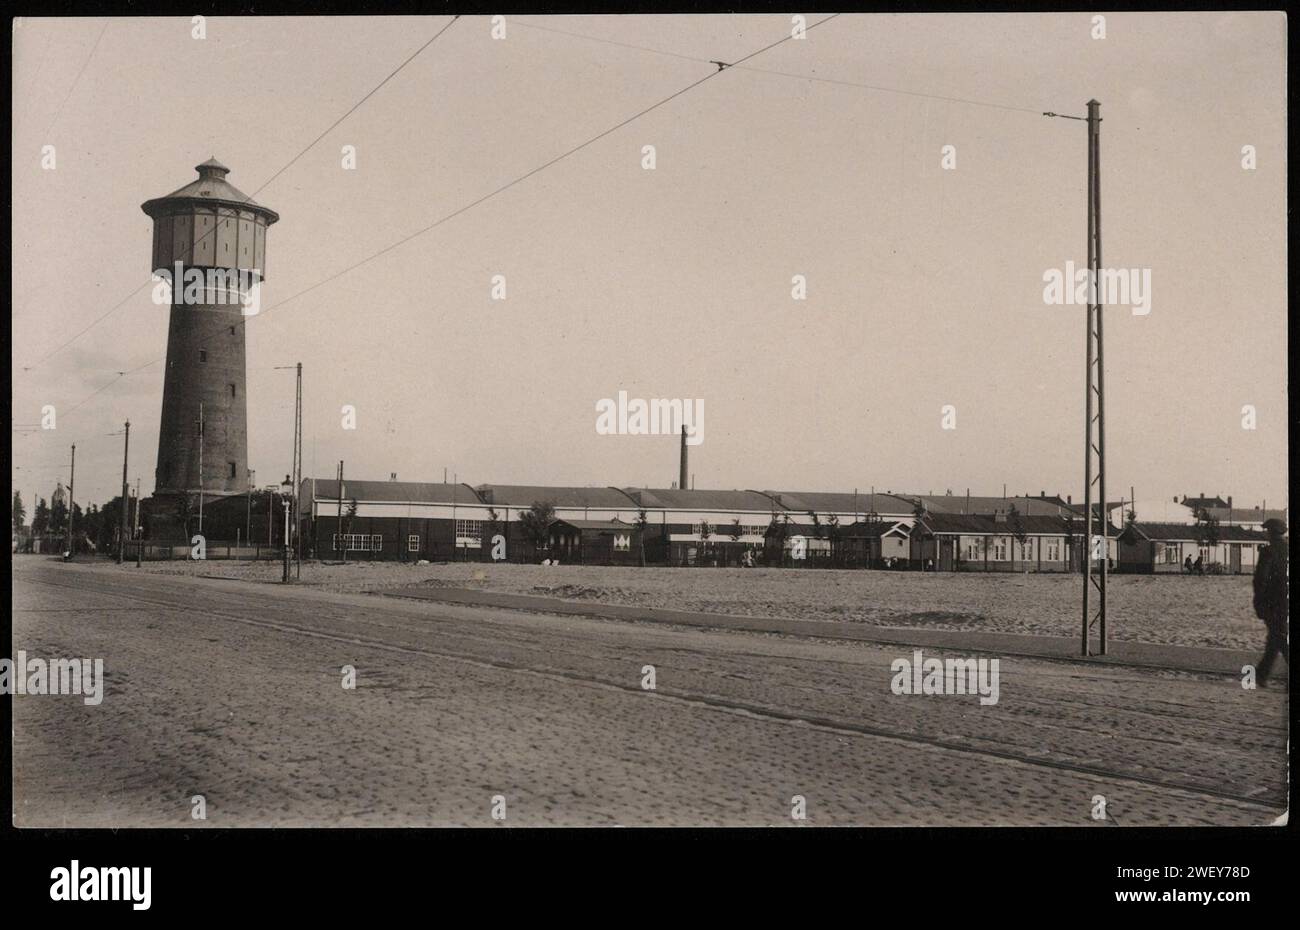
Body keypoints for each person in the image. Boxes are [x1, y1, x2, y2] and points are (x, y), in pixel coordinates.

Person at [1253, 518, 1289, 685]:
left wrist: (1258, 602)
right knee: (1276, 637)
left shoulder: (1268, 552)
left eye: (1267, 531)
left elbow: (1260, 579)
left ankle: (1260, 675)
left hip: (1272, 603)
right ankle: (1261, 675)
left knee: (1278, 637)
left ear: (1270, 533)